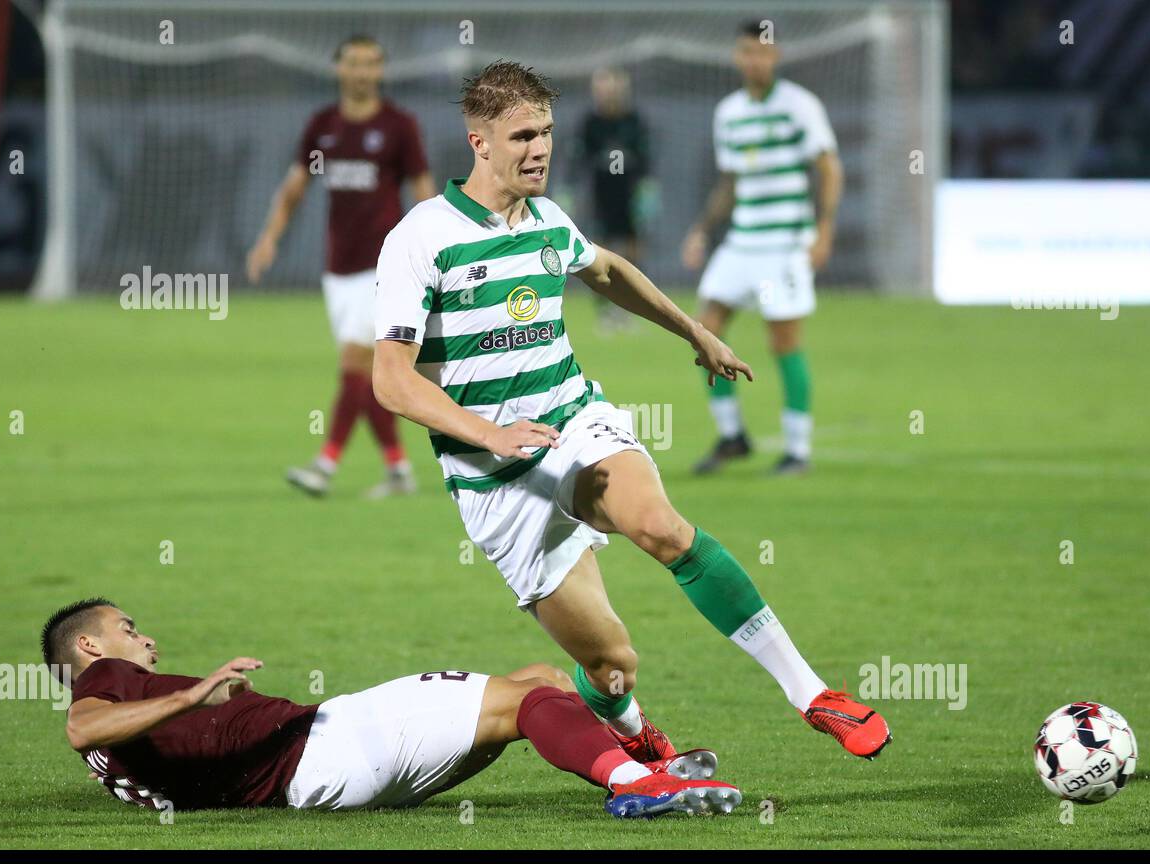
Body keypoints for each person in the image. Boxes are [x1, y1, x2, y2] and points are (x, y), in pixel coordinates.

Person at [371, 61, 891, 766]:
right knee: (612, 664)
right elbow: (393, 383)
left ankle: (812, 692)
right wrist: (496, 434)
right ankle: (632, 729)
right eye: (523, 135)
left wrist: (694, 331)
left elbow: (608, 270)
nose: (540, 149)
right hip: (496, 481)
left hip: (576, 421)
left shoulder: (549, 221)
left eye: (547, 132)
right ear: (479, 143)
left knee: (661, 526)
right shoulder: (421, 237)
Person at [44, 597, 739, 819]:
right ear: (88, 643)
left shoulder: (118, 747)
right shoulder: (99, 683)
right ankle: (640, 784)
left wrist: (200, 707)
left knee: (537, 679)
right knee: (532, 694)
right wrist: (197, 693)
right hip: (328, 745)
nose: (145, 636)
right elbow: (81, 726)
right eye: (127, 626)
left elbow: (111, 742)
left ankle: (652, 759)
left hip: (323, 775)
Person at [246, 35, 435, 499]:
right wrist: (270, 237)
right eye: (353, 63)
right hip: (338, 269)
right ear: (338, 69)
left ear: (381, 71)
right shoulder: (323, 127)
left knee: (355, 363)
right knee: (368, 375)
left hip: (385, 266)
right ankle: (398, 469)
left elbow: (423, 192)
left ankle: (325, 465)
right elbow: (295, 188)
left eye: (371, 64)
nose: (362, 72)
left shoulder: (398, 126)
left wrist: (432, 252)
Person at [681, 20, 845, 476]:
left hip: (785, 245)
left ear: (775, 56)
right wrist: (701, 229)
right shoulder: (729, 112)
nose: (754, 60)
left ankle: (798, 450)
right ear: (738, 57)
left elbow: (829, 168)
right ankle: (733, 436)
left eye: (762, 53)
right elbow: (729, 182)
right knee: (703, 329)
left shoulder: (799, 105)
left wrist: (824, 229)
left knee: (783, 342)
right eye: (747, 52)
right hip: (741, 242)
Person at [579, 67, 651, 334]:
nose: (608, 93)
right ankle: (606, 311)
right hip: (602, 195)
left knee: (633, 253)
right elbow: (579, 159)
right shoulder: (591, 123)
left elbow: (646, 158)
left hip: (629, 195)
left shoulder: (633, 120)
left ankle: (632, 309)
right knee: (601, 254)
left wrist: (647, 190)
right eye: (602, 88)